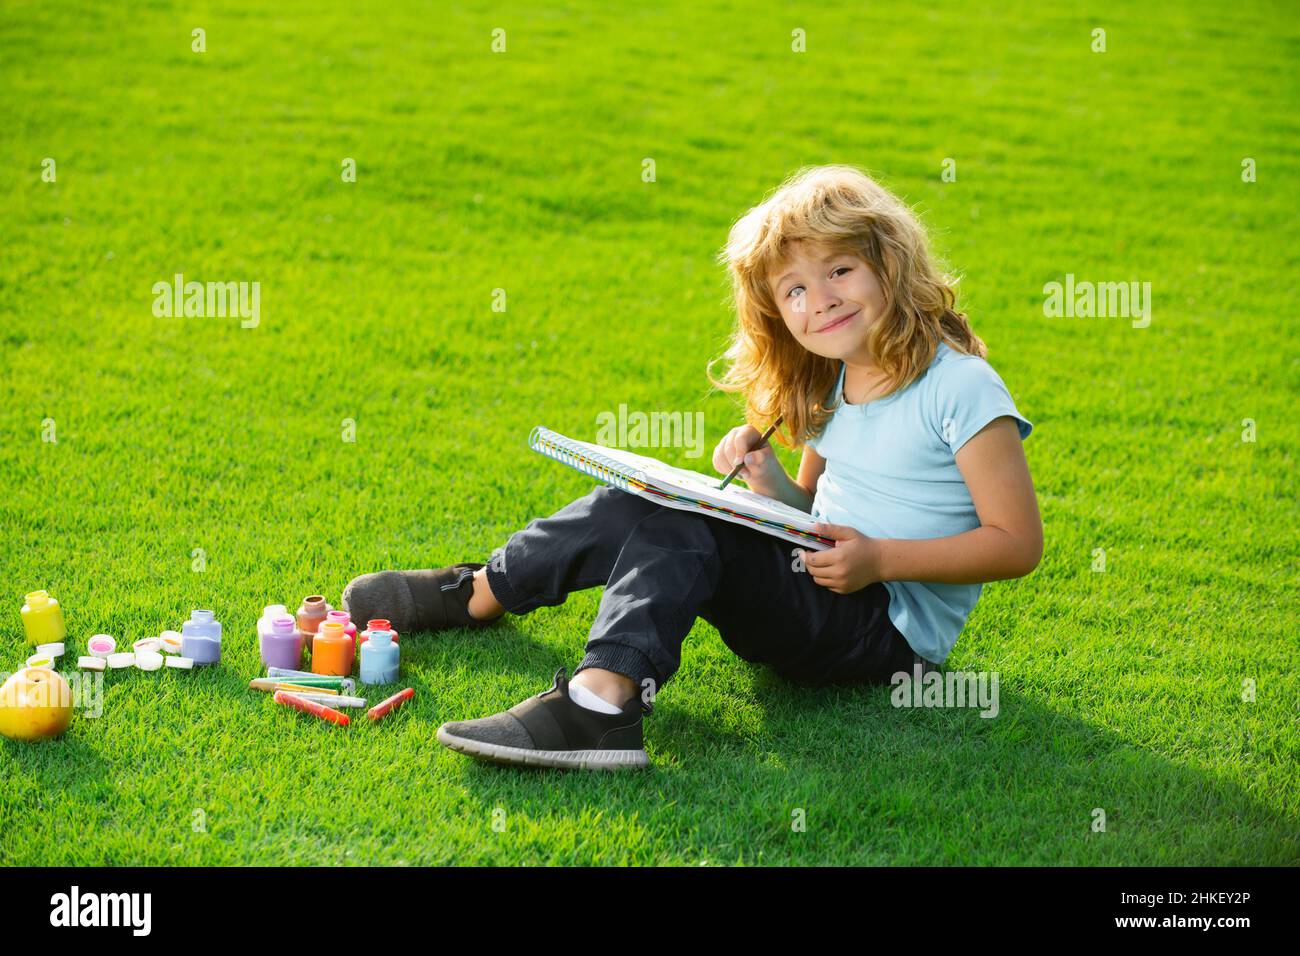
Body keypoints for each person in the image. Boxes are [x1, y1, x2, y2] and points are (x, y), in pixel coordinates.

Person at [343, 164, 1042, 770]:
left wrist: (881, 560)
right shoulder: (836, 380)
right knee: (641, 504)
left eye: (838, 270)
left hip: (887, 636)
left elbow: (1016, 544)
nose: (819, 299)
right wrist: (767, 486)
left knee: (691, 531)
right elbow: (816, 511)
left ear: (889, 262)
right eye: (792, 289)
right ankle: (480, 592)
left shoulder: (961, 387)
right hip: (824, 587)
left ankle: (602, 704)